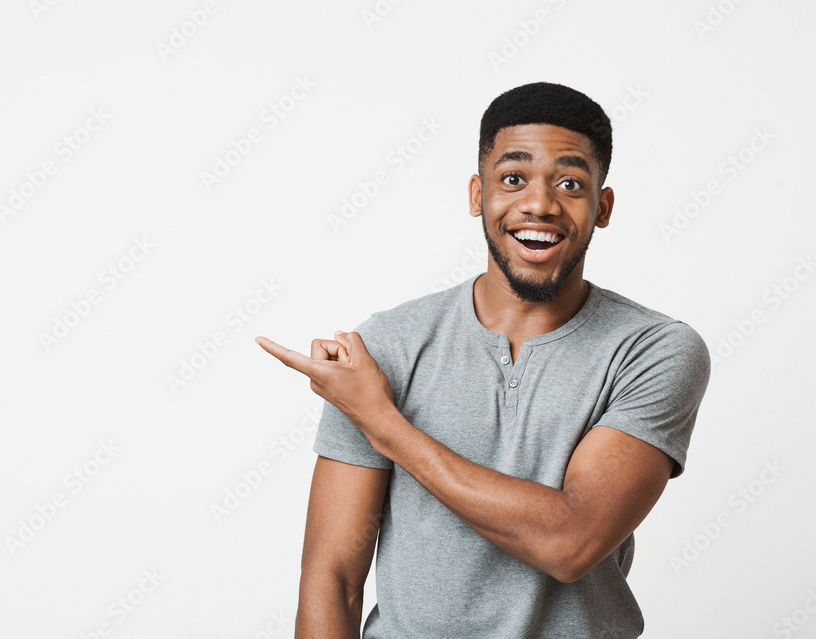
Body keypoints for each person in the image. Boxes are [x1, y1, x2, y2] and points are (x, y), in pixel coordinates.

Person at [255, 81, 711, 638]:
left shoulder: (654, 350)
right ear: (477, 195)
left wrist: (382, 422)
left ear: (603, 207)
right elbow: (333, 577)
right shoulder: (388, 347)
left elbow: (571, 541)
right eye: (513, 178)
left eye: (570, 183)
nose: (540, 204)